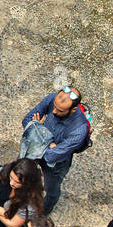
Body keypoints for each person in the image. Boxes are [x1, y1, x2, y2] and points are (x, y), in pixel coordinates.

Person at [21, 86, 88, 215]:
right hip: (37, 150)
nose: (54, 111)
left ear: (73, 110)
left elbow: (50, 156)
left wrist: (36, 129)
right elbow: (27, 120)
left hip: (57, 164)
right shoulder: (52, 98)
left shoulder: (79, 130)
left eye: (60, 110)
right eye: (54, 107)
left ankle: (44, 211)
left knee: (50, 188)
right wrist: (47, 140)